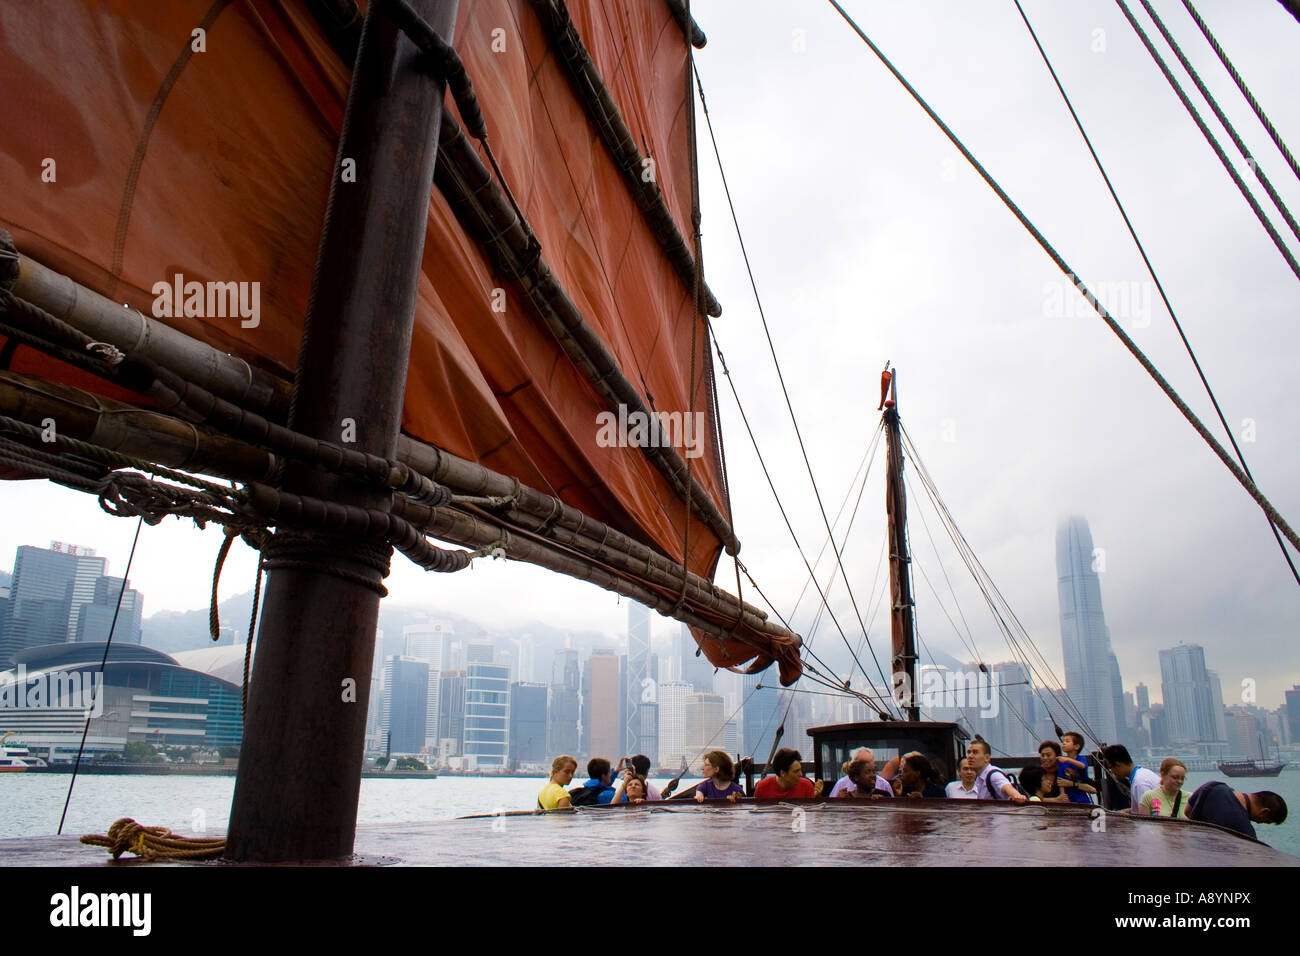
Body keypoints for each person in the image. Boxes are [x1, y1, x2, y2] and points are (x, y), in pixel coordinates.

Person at [1187, 782, 1286, 839]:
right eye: (1265, 821)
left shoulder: (1214, 786)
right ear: (1264, 811)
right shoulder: (1246, 832)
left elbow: (1187, 811)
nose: (1259, 823)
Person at [1101, 744, 1160, 813]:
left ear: (1118, 765)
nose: (1112, 772)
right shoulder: (1143, 773)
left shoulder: (1139, 783)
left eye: (1110, 768)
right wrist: (1127, 811)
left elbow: (1147, 816)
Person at [754, 747, 825, 799]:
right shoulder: (763, 787)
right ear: (783, 773)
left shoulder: (806, 786)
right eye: (796, 771)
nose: (801, 774)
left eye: (800, 770)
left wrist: (816, 797)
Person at [828, 748, 895, 797]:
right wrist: (839, 801)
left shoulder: (885, 790)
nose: (872, 775)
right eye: (867, 772)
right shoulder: (842, 785)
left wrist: (883, 802)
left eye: (874, 771)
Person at [1058, 732, 1094, 804]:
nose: (1064, 743)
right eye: (1063, 742)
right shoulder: (1061, 762)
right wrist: (1062, 795)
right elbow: (1060, 780)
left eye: (1067, 741)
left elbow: (1083, 766)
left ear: (1076, 746)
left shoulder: (1081, 758)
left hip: (1082, 797)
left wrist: (1068, 760)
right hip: (1070, 797)